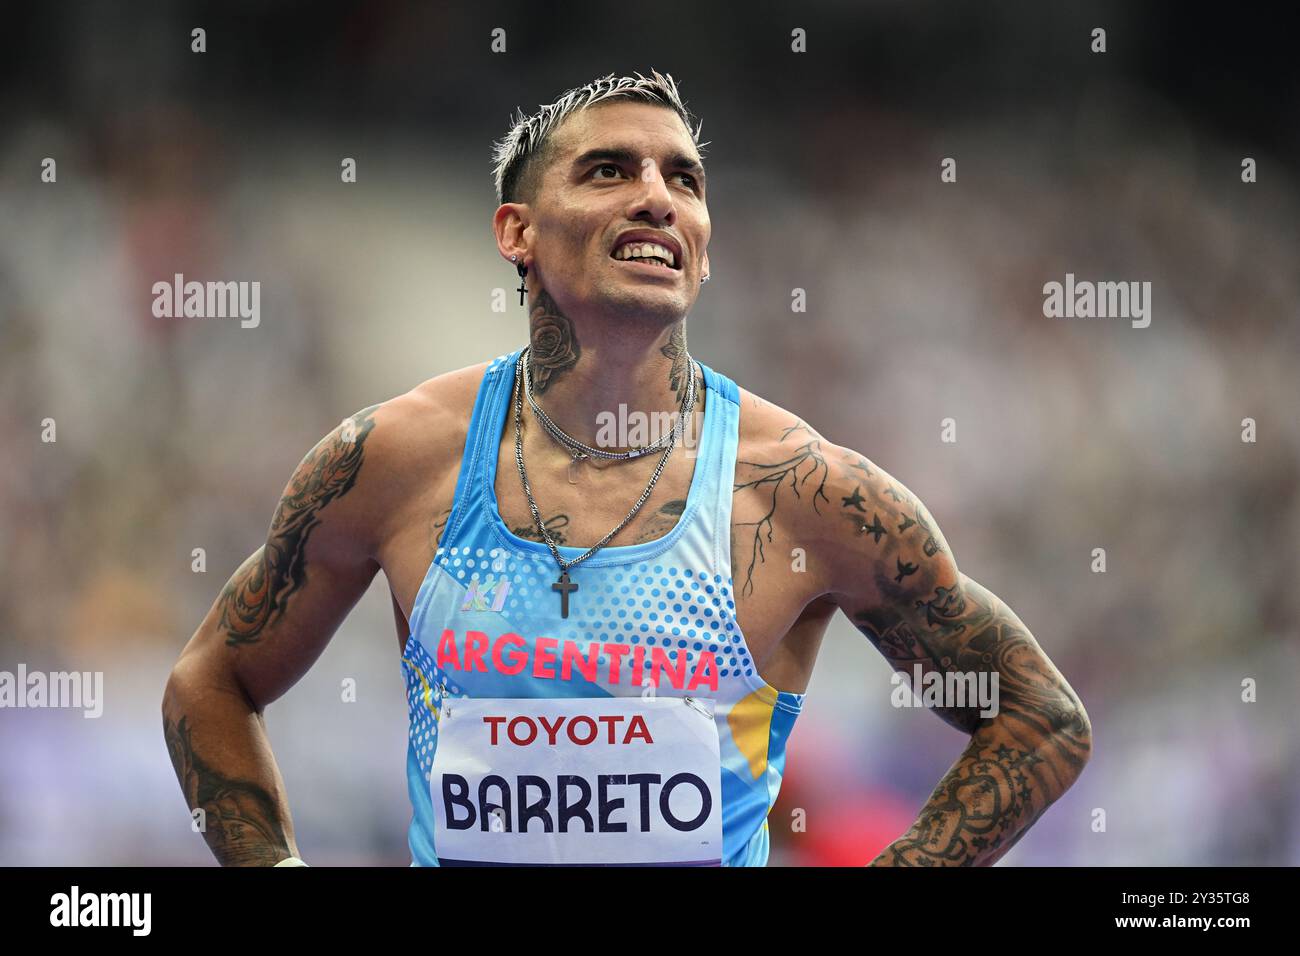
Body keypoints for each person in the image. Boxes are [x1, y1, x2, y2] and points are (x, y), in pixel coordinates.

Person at [162, 69, 1092, 867]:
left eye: (683, 179)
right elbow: (211, 681)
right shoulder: (392, 461)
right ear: (515, 232)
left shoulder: (803, 493)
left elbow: (1039, 719)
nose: (657, 197)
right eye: (609, 170)